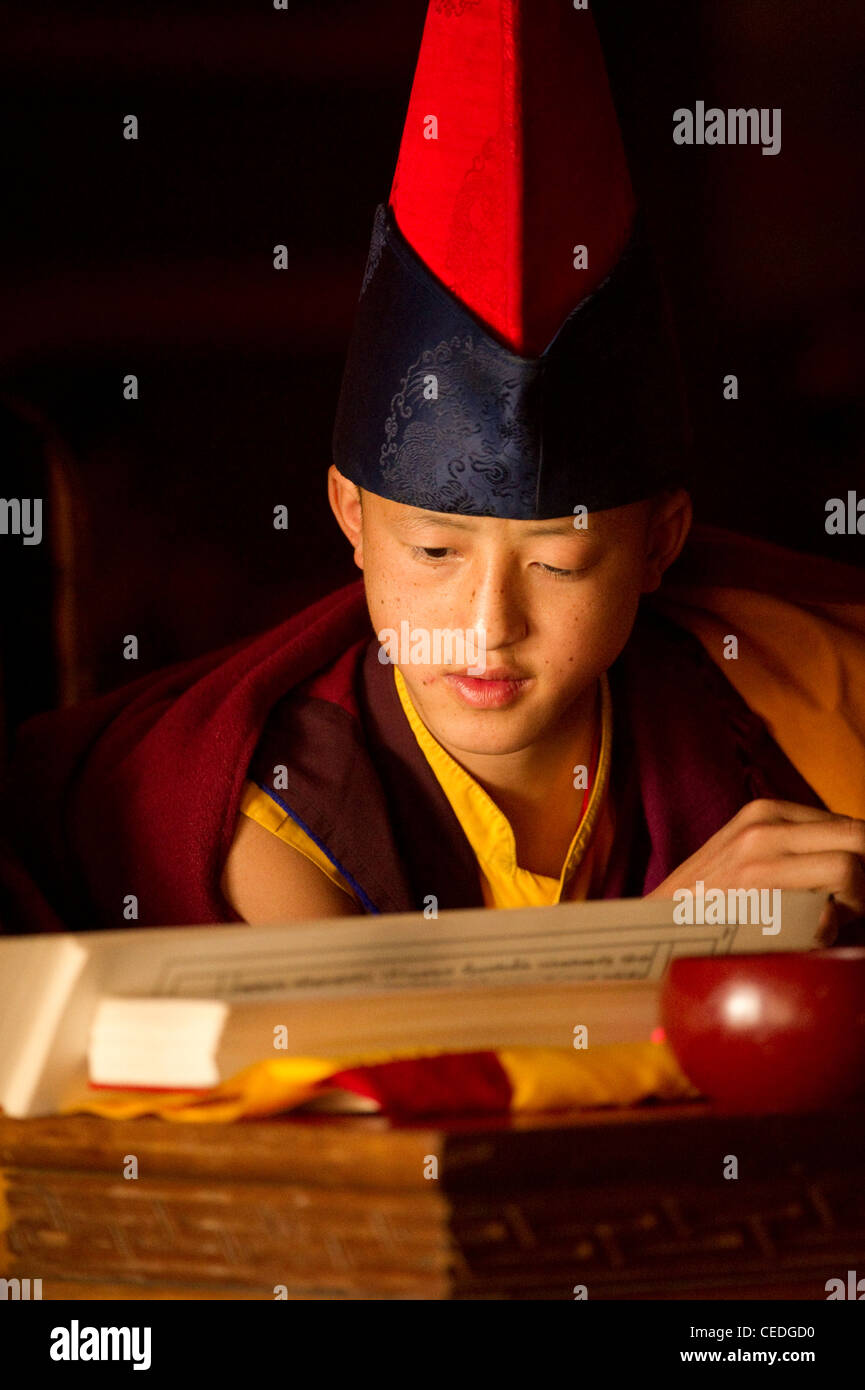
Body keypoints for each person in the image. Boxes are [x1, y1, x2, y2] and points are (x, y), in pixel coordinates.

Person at [3, 0, 865, 938]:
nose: (486, 628)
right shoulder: (274, 814)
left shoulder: (776, 694)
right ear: (349, 515)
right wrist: (662, 942)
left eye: (559, 563)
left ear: (660, 542)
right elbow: (390, 1065)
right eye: (431, 553)